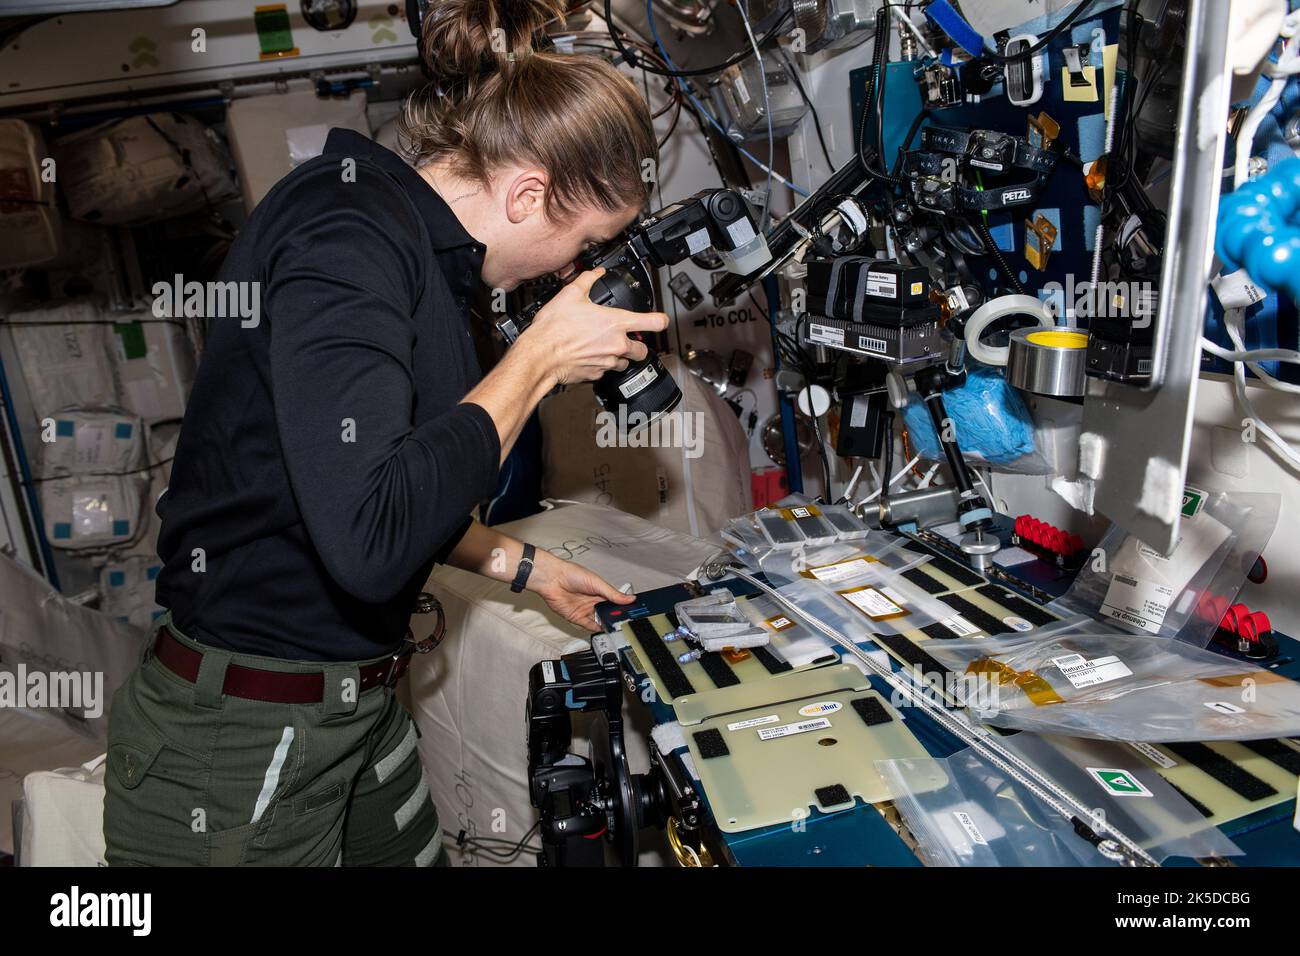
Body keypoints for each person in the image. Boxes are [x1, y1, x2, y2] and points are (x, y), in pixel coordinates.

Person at [103, 0, 666, 866]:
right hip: (247, 733)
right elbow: (368, 538)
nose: (570, 272)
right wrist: (542, 359)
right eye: (582, 242)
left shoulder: (428, 260)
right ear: (527, 193)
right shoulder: (346, 236)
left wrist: (524, 566)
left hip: (355, 705)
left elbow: (397, 482)